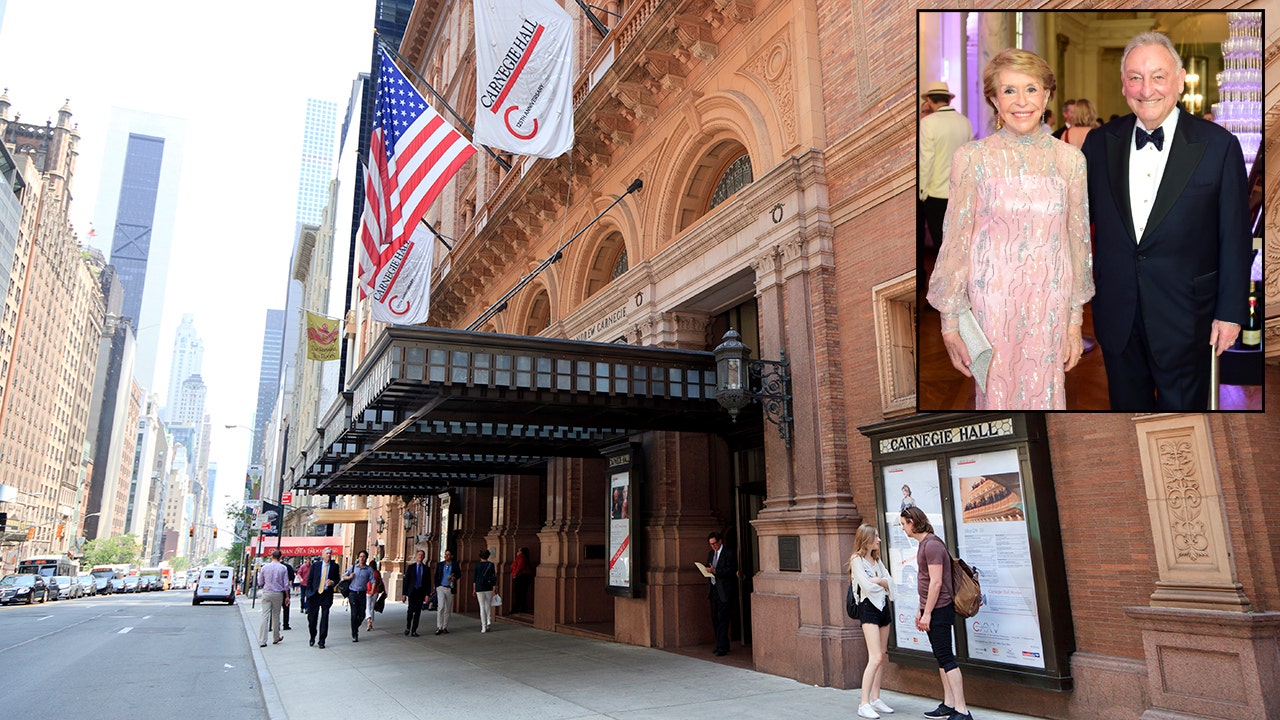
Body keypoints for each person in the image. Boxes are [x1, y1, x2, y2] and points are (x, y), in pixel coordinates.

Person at [1081, 32, 1251, 411]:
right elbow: (1076, 227)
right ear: (1123, 83)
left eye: (1158, 76)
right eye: (1135, 77)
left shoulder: (1219, 146)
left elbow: (1234, 238)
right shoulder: (1098, 143)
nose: (1146, 89)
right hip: (1117, 315)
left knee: (1187, 422)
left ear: (1179, 78)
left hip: (1189, 318)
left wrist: (1230, 313)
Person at [926, 48, 1094, 410]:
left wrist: (1073, 321)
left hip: (1050, 303)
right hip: (992, 305)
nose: (1022, 102)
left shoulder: (1070, 160)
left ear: (1047, 95)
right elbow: (955, 241)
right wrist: (949, 322)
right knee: (997, 399)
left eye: (1031, 90)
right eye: (1009, 91)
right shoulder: (971, 158)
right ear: (993, 98)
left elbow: (1078, 242)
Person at [900, 507, 972, 720]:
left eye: (904, 523)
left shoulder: (931, 545)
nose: (903, 528)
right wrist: (920, 610)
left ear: (913, 522)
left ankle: (962, 710)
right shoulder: (926, 544)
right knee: (942, 658)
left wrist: (928, 613)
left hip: (940, 609)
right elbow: (925, 583)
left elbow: (936, 581)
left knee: (947, 659)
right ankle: (949, 704)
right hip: (932, 608)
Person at [918, 81, 974, 257]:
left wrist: (922, 192)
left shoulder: (928, 123)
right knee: (959, 243)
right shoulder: (965, 122)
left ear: (929, 100)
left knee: (941, 245)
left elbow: (926, 160)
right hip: (960, 192)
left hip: (936, 194)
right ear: (948, 100)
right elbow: (971, 159)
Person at [850, 524, 895, 720]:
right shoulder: (857, 560)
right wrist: (880, 582)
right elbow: (867, 586)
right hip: (868, 609)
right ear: (866, 539)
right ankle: (864, 703)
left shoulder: (876, 560)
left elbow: (891, 582)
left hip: (884, 608)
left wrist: (880, 581)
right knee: (875, 657)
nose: (878, 539)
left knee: (882, 655)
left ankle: (876, 699)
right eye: (875, 536)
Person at [705, 531, 738, 657]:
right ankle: (721, 644)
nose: (713, 546)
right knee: (715, 618)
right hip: (713, 590)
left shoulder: (728, 553)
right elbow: (708, 566)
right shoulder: (710, 554)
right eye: (711, 544)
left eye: (714, 544)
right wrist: (707, 570)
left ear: (720, 541)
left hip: (724, 591)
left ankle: (722, 647)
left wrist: (716, 571)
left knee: (723, 619)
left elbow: (731, 570)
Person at [306, 548, 341, 648]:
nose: (329, 555)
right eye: (327, 553)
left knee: (325, 617)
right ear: (322, 555)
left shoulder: (334, 566)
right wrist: (308, 593)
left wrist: (332, 582)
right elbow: (310, 580)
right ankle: (312, 636)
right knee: (312, 618)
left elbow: (337, 578)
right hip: (315, 594)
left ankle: (322, 640)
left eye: (330, 553)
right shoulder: (315, 566)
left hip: (326, 594)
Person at [256, 549, 290, 648]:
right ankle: (276, 637)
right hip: (278, 594)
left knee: (265, 616)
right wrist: (287, 596)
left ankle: (262, 640)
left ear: (272, 556)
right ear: (280, 557)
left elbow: (260, 582)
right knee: (276, 615)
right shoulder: (283, 568)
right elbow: (286, 584)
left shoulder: (264, 567)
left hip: (266, 592)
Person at [342, 550, 373, 642]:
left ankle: (355, 626)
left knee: (362, 614)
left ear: (366, 558)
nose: (362, 558)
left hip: (362, 593)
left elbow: (373, 581)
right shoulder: (353, 568)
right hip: (353, 593)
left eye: (363, 557)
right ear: (358, 558)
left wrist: (371, 591)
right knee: (354, 613)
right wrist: (349, 577)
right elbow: (343, 576)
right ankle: (354, 633)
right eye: (360, 556)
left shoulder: (369, 570)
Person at [403, 549, 430, 636]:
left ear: (424, 557)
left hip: (420, 592)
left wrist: (427, 594)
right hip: (412, 592)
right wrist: (404, 594)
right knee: (410, 611)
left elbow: (428, 583)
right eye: (419, 555)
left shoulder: (426, 569)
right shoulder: (411, 567)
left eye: (422, 555)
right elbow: (406, 581)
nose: (420, 557)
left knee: (418, 611)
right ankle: (408, 627)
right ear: (417, 556)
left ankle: (414, 630)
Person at [433, 549, 459, 634]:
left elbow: (459, 574)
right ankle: (439, 626)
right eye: (445, 554)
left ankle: (445, 626)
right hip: (441, 587)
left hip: (449, 588)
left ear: (451, 556)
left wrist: (454, 578)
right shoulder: (440, 565)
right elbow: (436, 575)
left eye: (448, 555)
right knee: (441, 607)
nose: (446, 556)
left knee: (448, 608)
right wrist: (436, 586)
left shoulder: (454, 565)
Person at [474, 549, 498, 633]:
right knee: (488, 605)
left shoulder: (477, 565)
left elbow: (475, 578)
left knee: (482, 606)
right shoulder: (491, 565)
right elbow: (493, 576)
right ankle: (488, 621)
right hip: (488, 587)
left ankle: (483, 626)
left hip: (480, 587)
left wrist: (474, 588)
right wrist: (494, 587)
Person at [510, 546, 534, 614]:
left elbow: (520, 566)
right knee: (522, 593)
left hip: (521, 577)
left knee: (519, 593)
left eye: (519, 550)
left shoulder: (521, 557)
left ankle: (517, 608)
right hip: (523, 577)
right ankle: (522, 608)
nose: (517, 551)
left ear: (522, 552)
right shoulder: (523, 557)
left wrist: (515, 573)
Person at [365, 559, 384, 631]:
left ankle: (368, 620)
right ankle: (371, 622)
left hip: (368, 591)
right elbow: (380, 582)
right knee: (372, 607)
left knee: (367, 606)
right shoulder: (377, 573)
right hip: (375, 592)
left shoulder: (368, 572)